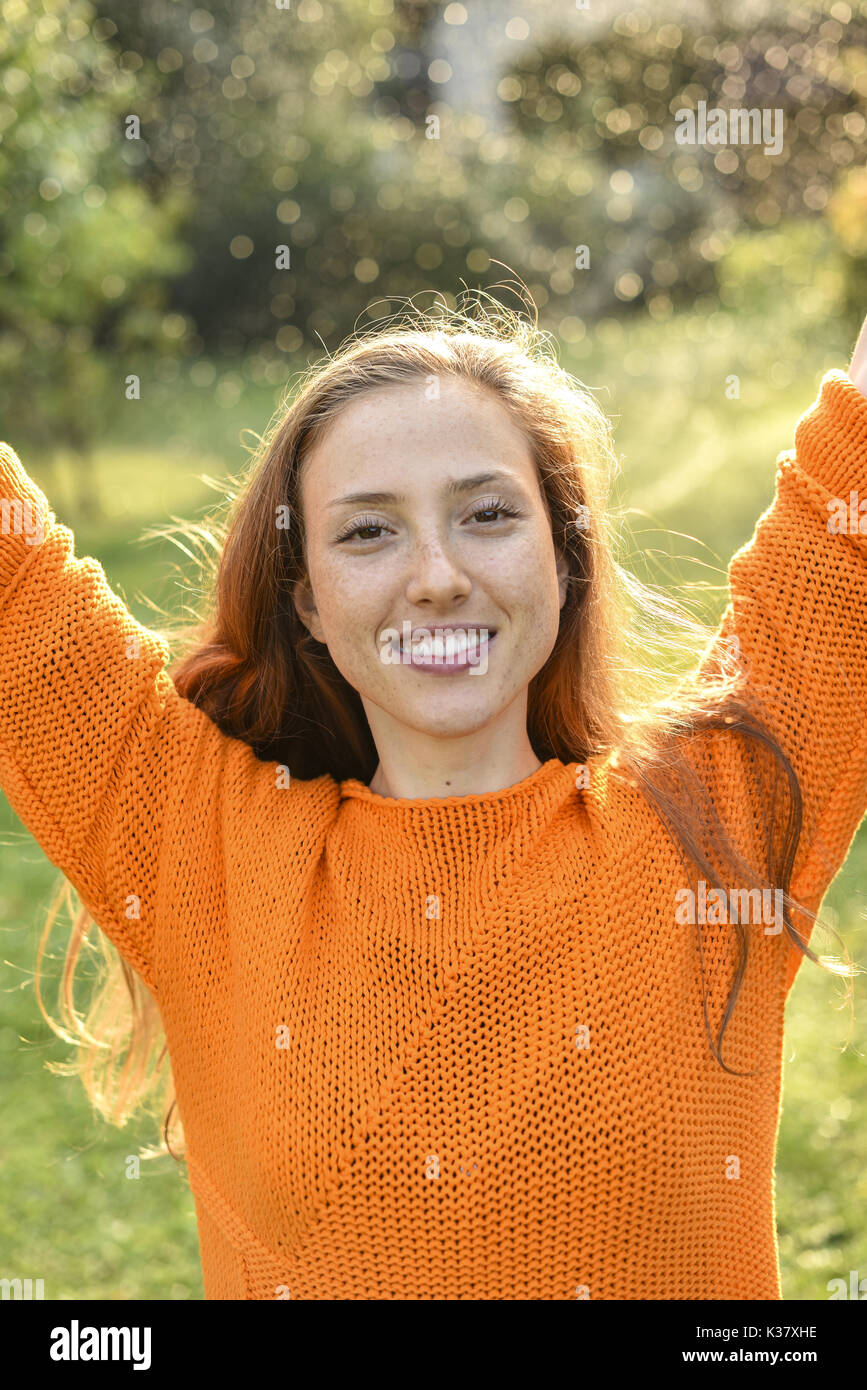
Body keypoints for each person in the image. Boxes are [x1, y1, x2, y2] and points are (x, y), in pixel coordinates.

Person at [2, 302, 866, 1300]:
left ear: (563, 558)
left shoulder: (716, 816)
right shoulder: (194, 839)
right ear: (308, 599)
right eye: (369, 531)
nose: (438, 578)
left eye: (487, 515)